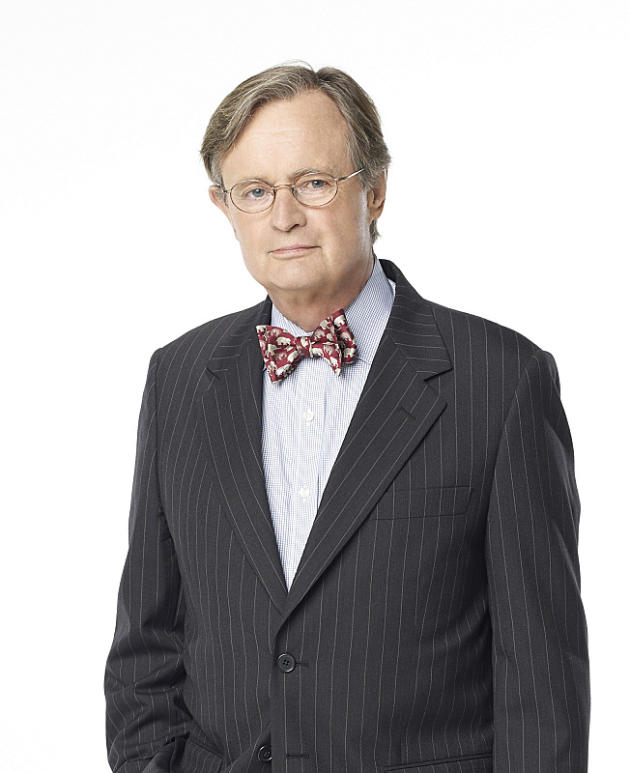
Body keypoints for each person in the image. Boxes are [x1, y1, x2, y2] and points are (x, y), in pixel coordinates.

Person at [104, 63, 590, 773]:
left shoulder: (502, 380)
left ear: (376, 188)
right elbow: (146, 644)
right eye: (255, 191)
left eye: (313, 183)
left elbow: (542, 680)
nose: (284, 216)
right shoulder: (178, 376)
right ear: (224, 206)